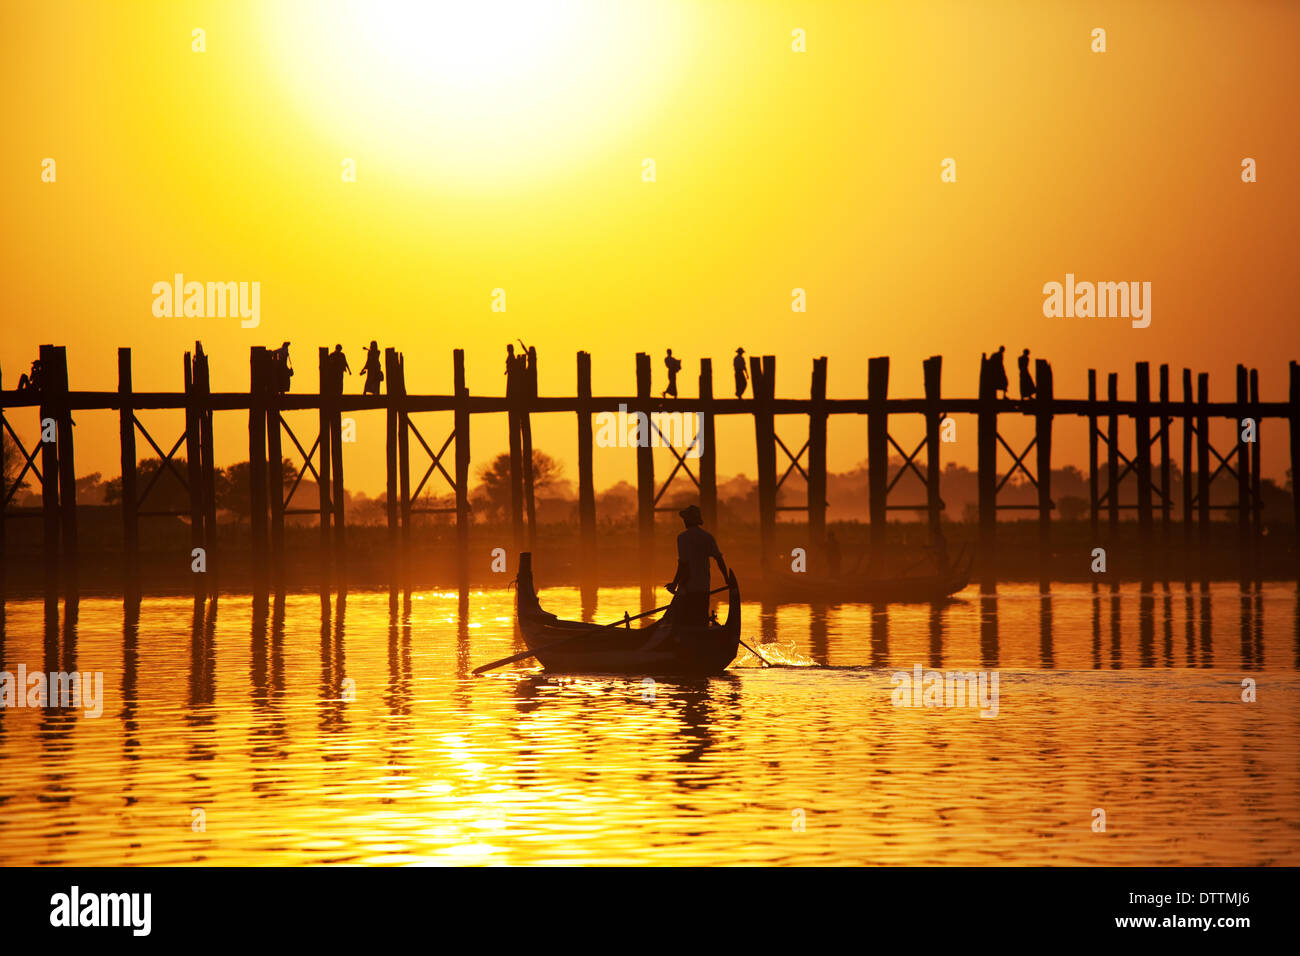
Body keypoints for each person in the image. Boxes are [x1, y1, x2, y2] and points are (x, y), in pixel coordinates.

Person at [665, 504, 729, 628]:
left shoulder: (682, 538)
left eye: (685, 519)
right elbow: (719, 559)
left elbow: (683, 565)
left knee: (684, 621)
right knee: (701, 619)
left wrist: (674, 584)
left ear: (687, 520)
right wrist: (726, 578)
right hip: (703, 586)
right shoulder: (707, 537)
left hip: (687, 588)